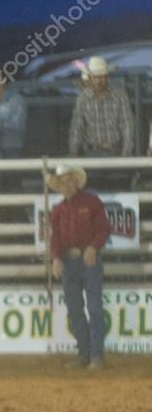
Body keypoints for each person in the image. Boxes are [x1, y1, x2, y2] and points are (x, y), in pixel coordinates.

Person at [48, 163, 110, 370]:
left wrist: (93, 247)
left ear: (76, 181)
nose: (66, 185)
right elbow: (55, 237)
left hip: (89, 259)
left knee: (94, 308)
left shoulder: (92, 202)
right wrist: (56, 258)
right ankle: (84, 354)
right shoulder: (57, 210)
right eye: (62, 183)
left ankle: (96, 356)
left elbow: (103, 230)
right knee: (74, 309)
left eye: (68, 181)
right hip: (68, 261)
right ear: (59, 186)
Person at [69, 56, 134, 157]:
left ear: (107, 77)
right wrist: (74, 151)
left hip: (116, 151)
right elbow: (77, 127)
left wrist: (126, 152)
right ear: (90, 78)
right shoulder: (83, 98)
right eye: (96, 77)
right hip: (92, 152)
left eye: (102, 76)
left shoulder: (120, 96)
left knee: (119, 173)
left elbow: (127, 126)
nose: (100, 80)